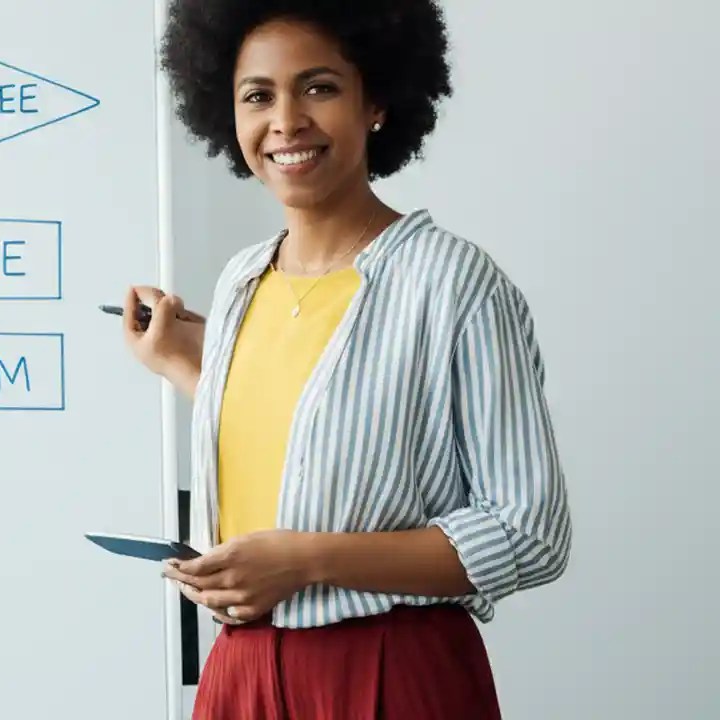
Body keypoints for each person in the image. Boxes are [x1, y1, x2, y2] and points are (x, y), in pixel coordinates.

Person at [120, 1, 573, 718]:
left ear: (377, 101)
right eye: (258, 96)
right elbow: (320, 448)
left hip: (390, 673)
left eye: (319, 87)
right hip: (240, 674)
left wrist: (306, 562)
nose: (286, 121)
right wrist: (181, 365)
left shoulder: (453, 284)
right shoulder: (241, 281)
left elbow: (529, 532)